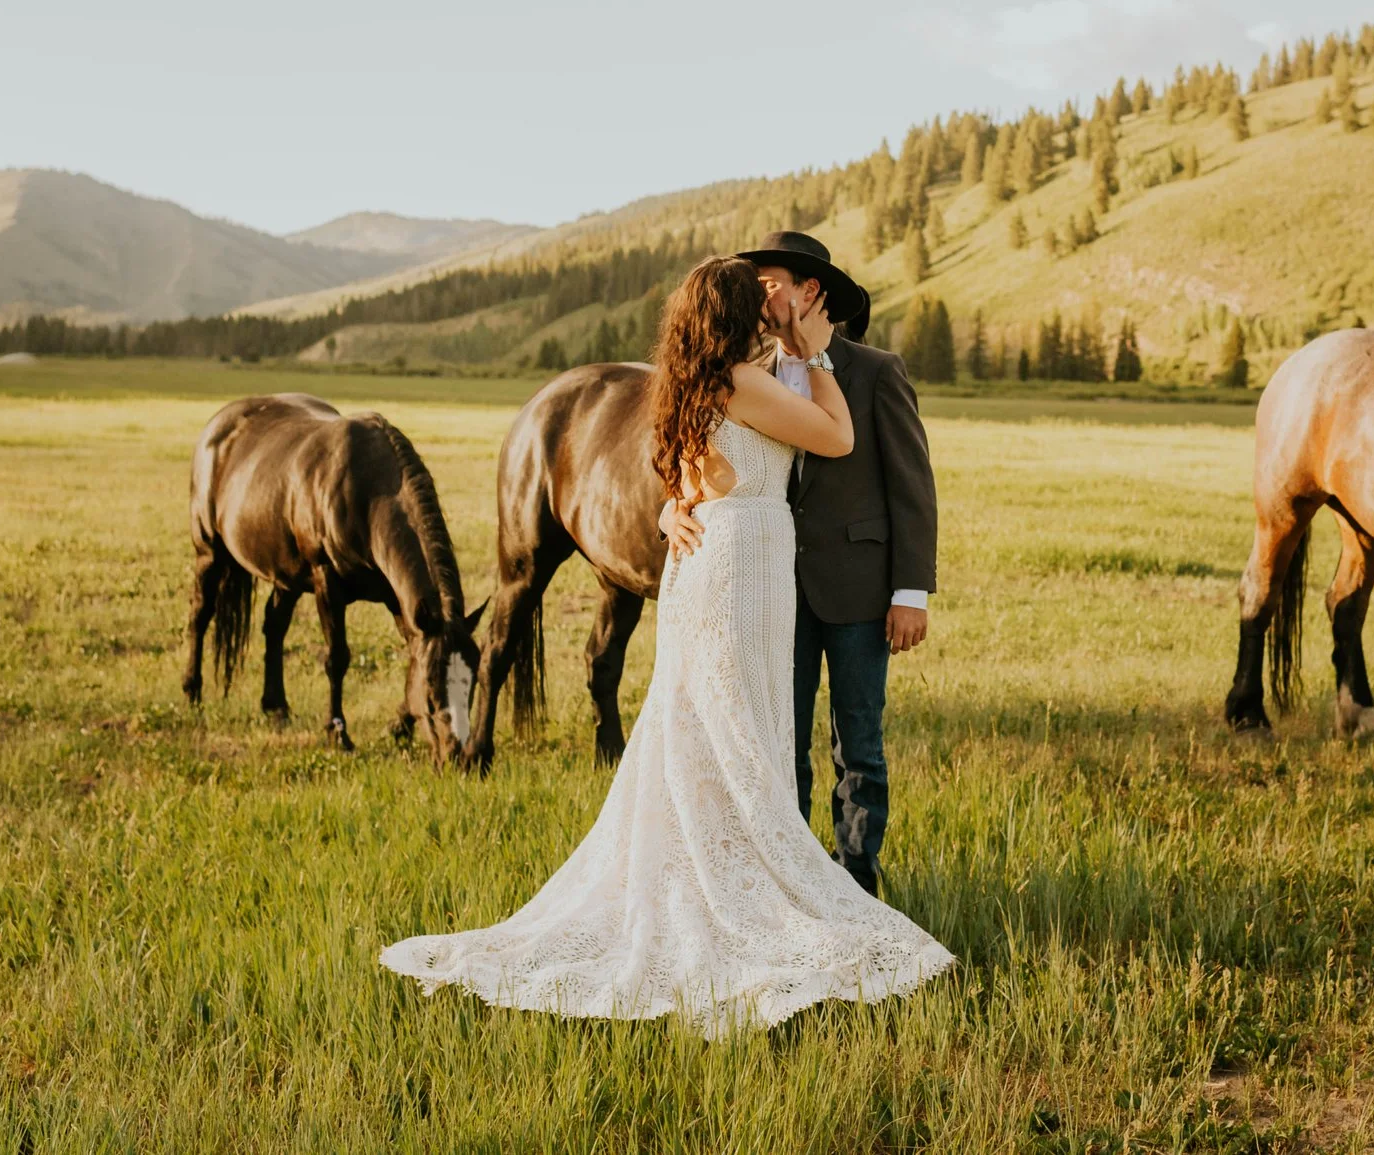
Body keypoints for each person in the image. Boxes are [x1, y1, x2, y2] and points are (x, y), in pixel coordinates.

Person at [379, 255, 952, 1033]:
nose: (768, 308)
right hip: (741, 572)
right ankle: (751, 888)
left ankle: (731, 871)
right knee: (739, 733)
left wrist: (671, 509)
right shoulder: (743, 383)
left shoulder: (693, 382)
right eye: (754, 302)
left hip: (720, 569)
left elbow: (682, 481)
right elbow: (836, 436)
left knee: (712, 731)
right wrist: (814, 355)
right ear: (730, 315)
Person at [661, 229, 938, 897]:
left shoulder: (874, 370)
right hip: (763, 592)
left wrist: (912, 591)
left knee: (859, 748)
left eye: (769, 283)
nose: (759, 297)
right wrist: (670, 510)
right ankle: (794, 882)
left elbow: (912, 484)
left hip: (858, 588)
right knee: (777, 745)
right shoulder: (741, 368)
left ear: (809, 291)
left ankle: (859, 885)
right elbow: (701, 461)